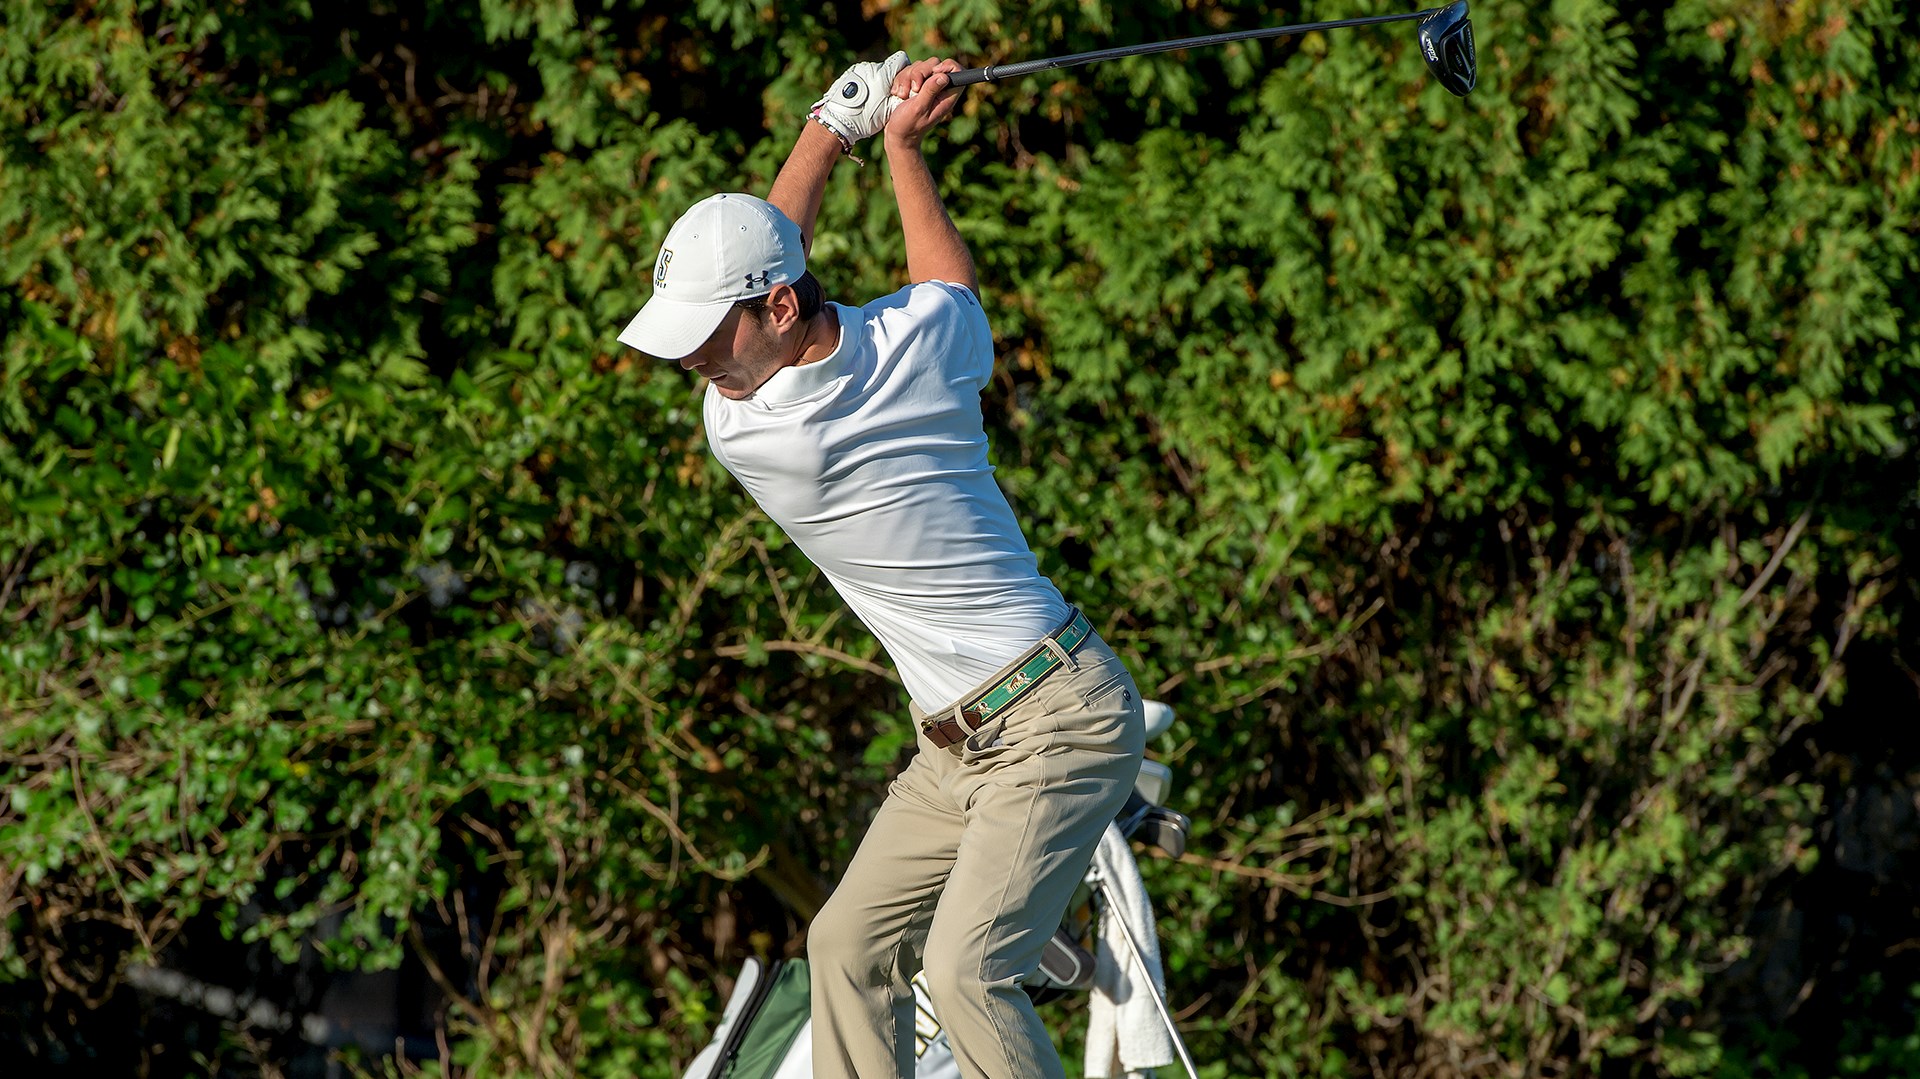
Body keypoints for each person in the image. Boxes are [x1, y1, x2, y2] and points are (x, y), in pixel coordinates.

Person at [617, 51, 1147, 1079]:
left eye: (703, 338)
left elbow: (784, 234)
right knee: (844, 946)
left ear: (773, 310)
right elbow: (944, 279)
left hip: (1057, 718)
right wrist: (897, 147)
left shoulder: (759, 433)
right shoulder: (929, 343)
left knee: (963, 973)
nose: (692, 365)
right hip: (959, 745)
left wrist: (837, 125)